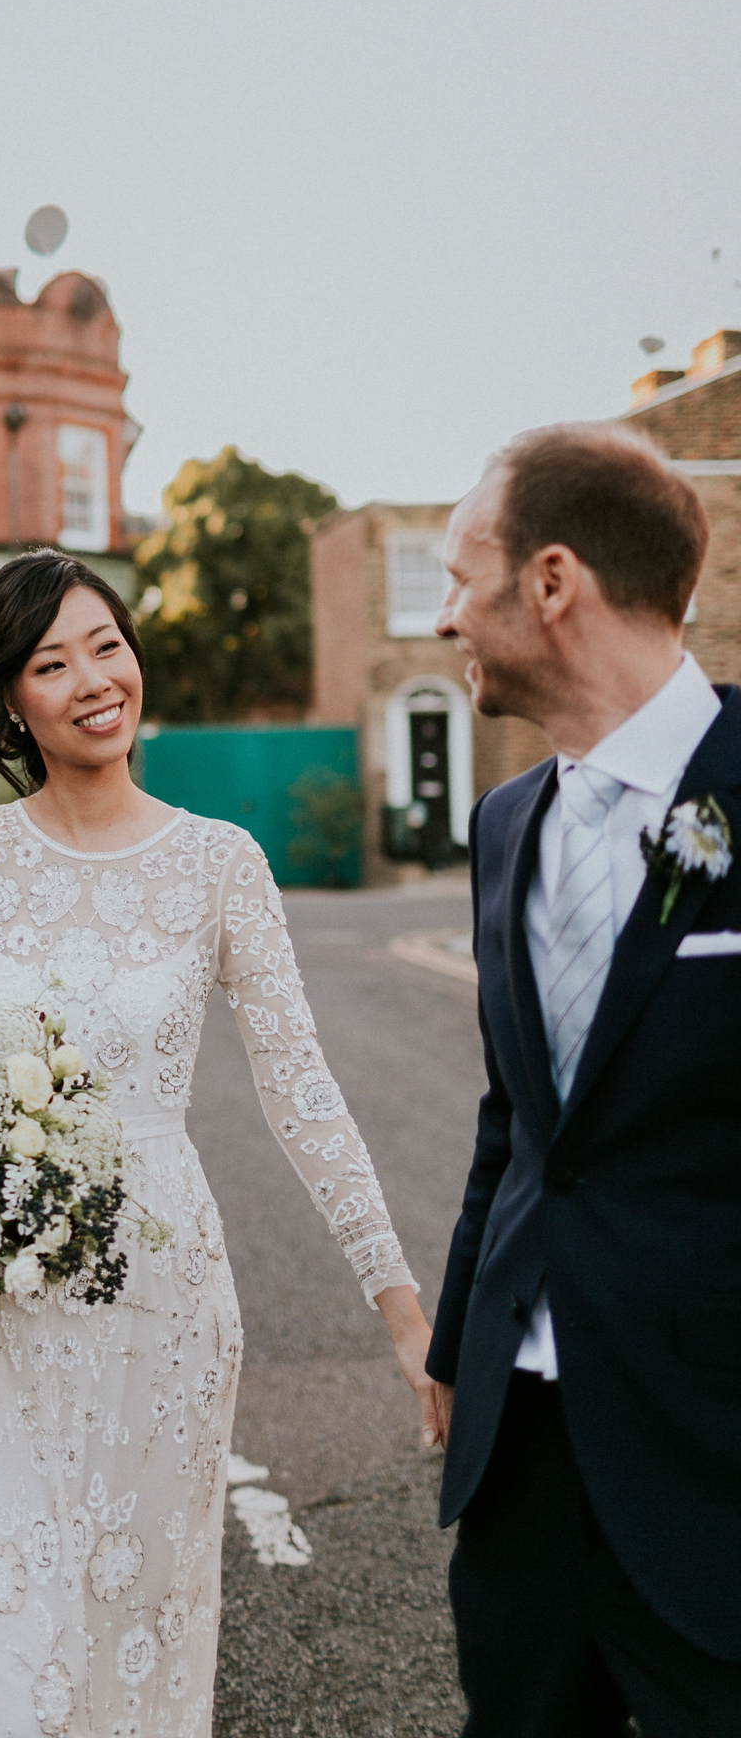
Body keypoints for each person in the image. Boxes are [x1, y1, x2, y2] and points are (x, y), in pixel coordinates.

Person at [0, 547, 435, 1735]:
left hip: (161, 1290)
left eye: (108, 647)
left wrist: (401, 1308)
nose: (94, 680)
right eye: (52, 662)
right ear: (9, 698)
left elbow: (302, 1090)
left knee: (134, 1623)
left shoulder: (219, 863)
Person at [429, 422, 741, 1737]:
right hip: (526, 1462)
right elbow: (520, 1118)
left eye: (462, 576)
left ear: (551, 583)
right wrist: (457, 1350)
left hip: (711, 1449)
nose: (446, 617)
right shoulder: (505, 825)